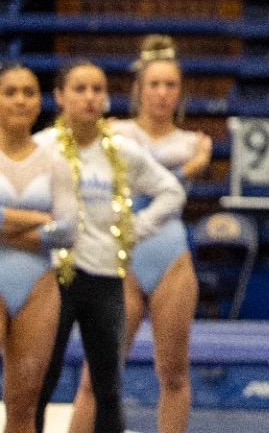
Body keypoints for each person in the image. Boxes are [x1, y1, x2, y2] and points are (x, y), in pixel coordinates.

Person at [69, 36, 211, 433]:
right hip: (120, 258)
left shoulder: (195, 141)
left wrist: (193, 167)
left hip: (170, 256)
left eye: (171, 86)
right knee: (97, 373)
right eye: (154, 85)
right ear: (138, 90)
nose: (163, 94)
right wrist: (189, 170)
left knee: (174, 373)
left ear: (181, 93)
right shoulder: (115, 133)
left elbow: (169, 193)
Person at [34, 60, 185, 433]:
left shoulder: (121, 151)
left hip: (104, 276)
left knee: (108, 386)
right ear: (59, 97)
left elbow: (171, 191)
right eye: (80, 89)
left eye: (97, 90)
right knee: (41, 379)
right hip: (54, 277)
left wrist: (135, 229)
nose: (89, 98)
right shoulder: (42, 147)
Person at [0, 64, 76, 433]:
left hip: (39, 284)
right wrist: (36, 217)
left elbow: (68, 230)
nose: (20, 100)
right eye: (10, 92)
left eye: (29, 92)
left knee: (25, 402)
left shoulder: (56, 161)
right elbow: (51, 223)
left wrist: (6, 226)